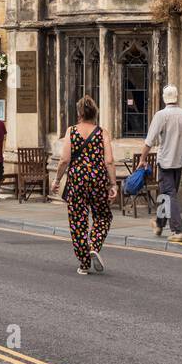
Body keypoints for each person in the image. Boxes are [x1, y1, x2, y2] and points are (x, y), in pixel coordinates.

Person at [52, 95, 118, 275]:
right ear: (95, 113)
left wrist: (57, 180)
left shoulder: (71, 131)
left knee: (77, 222)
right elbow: (109, 161)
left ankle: (84, 263)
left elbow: (64, 159)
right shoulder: (102, 132)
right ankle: (94, 245)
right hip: (98, 181)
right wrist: (113, 184)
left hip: (77, 181)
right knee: (103, 216)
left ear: (79, 113)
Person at [140, 85, 182, 243]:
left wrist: (143, 159)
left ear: (164, 98)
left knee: (169, 196)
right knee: (166, 195)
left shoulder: (161, 115)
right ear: (177, 97)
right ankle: (158, 224)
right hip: (179, 162)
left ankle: (177, 231)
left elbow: (149, 140)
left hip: (165, 162)